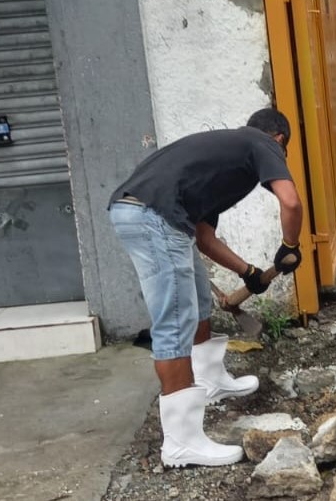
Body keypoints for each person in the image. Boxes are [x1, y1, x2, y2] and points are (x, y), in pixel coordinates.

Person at [108, 109, 304, 467]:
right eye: (283, 152)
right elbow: (290, 201)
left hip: (146, 212)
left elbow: (204, 236)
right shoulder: (261, 141)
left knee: (197, 299)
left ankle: (211, 381)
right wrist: (290, 246)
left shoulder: (220, 158)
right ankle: (182, 443)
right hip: (154, 217)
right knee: (174, 323)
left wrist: (249, 273)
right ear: (279, 140)